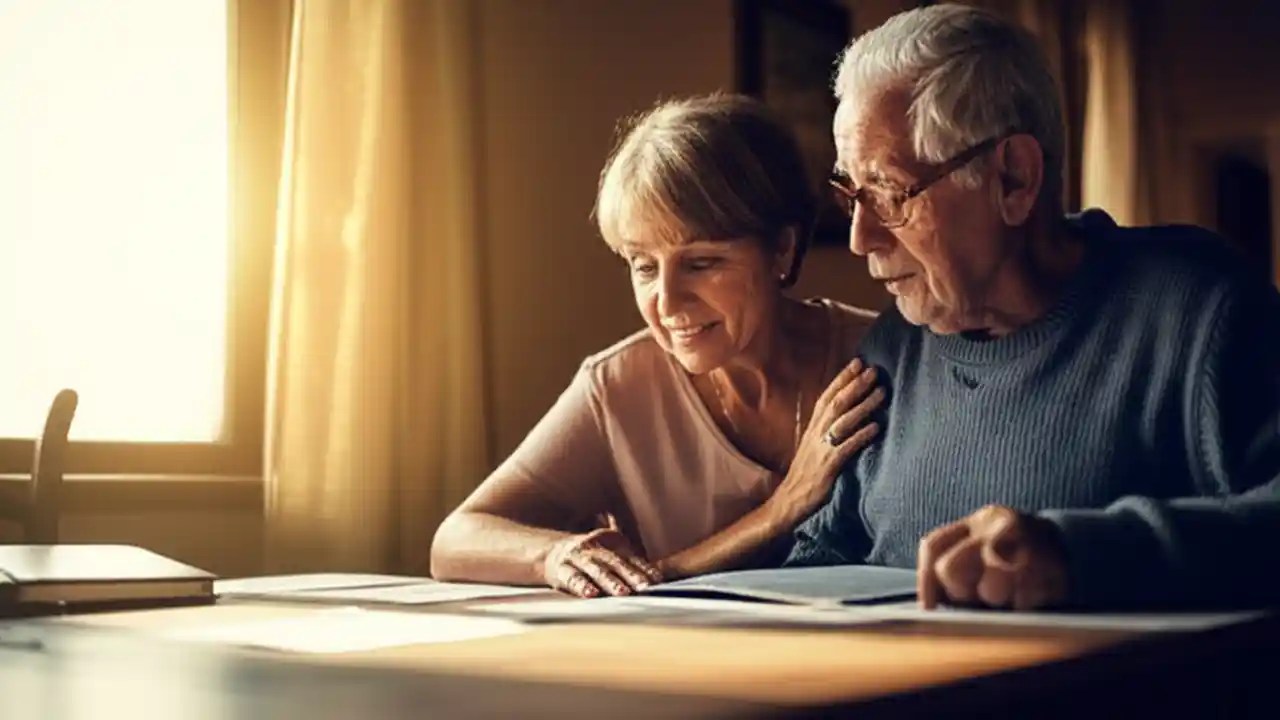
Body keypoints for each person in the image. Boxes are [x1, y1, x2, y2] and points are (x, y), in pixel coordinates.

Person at [788, 4, 1280, 611]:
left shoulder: (1200, 310)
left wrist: (1079, 553)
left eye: (889, 193)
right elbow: (815, 567)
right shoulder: (890, 353)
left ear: (1014, 179)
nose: (861, 238)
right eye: (850, 196)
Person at [431, 94, 884, 597]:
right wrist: (555, 554)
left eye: (701, 263)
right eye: (644, 266)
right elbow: (455, 539)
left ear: (781, 248)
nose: (666, 301)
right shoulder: (617, 388)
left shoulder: (881, 357)